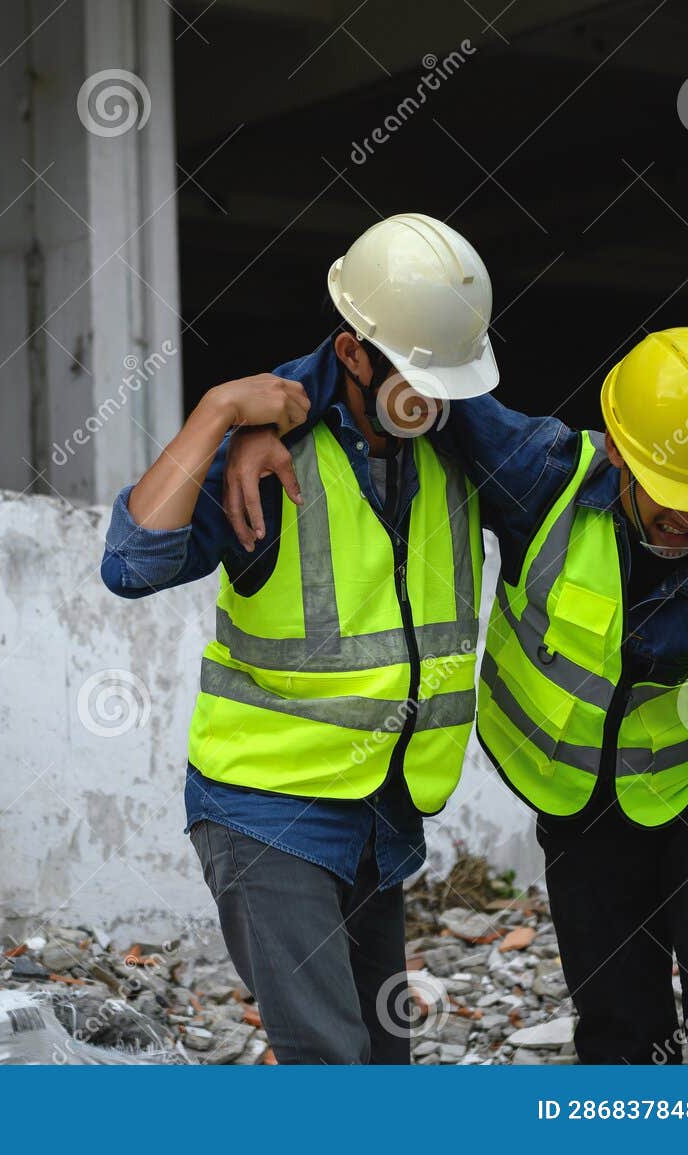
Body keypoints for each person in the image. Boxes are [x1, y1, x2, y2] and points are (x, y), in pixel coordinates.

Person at [223, 327, 688, 1064]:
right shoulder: (542, 478)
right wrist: (267, 417)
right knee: (617, 1030)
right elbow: (411, 368)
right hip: (579, 807)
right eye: (671, 493)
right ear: (618, 451)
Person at [99, 213, 499, 1063]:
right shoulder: (273, 453)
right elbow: (131, 562)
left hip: (378, 814)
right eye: (412, 372)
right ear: (351, 352)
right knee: (328, 1061)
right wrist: (218, 413)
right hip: (266, 811)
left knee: (383, 1063)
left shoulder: (453, 439)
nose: (429, 399)